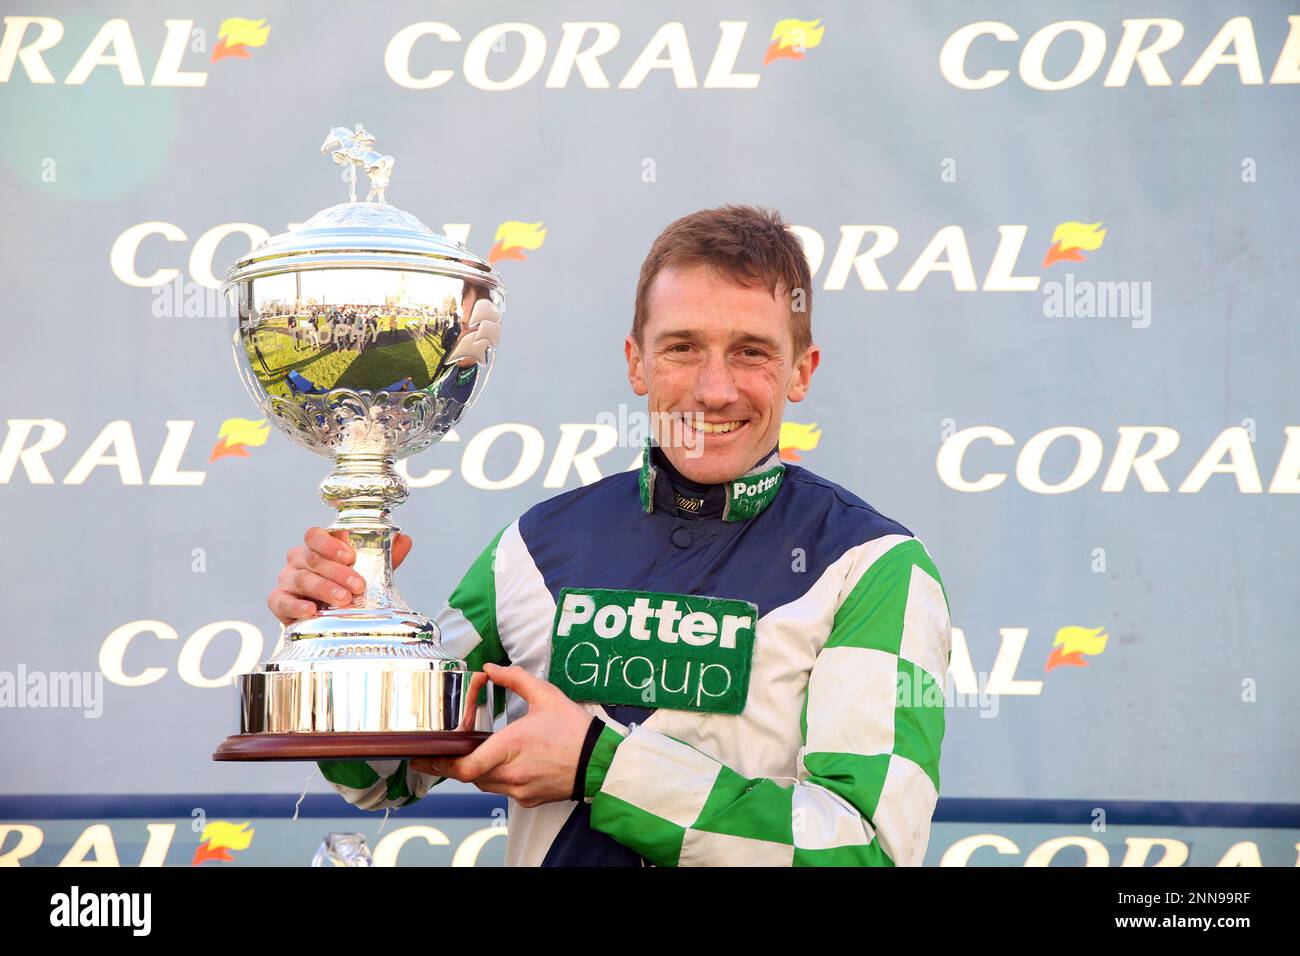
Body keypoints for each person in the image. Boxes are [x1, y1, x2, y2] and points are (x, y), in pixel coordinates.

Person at [267, 205, 952, 867]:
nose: (714, 390)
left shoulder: (871, 566)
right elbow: (381, 774)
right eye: (682, 348)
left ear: (801, 370)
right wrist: (343, 640)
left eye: (751, 353)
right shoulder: (536, 546)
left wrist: (601, 765)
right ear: (636, 362)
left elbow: (867, 849)